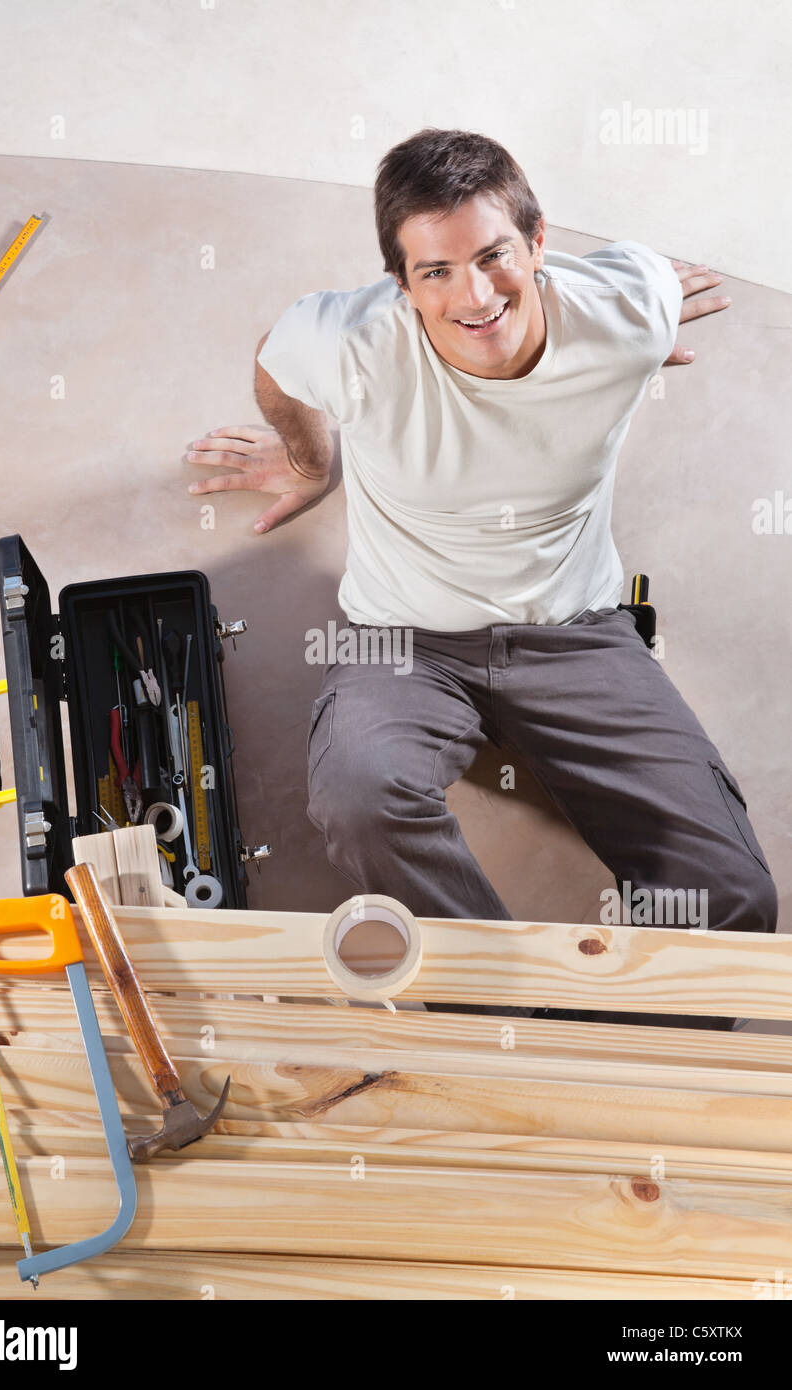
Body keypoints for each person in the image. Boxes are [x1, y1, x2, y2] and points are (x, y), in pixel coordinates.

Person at [185, 128, 778, 1030]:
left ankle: (599, 1083)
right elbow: (275, 360)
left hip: (575, 626)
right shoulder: (352, 342)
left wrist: (616, 348)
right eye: (436, 272)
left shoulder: (627, 310)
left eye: (495, 256)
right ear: (400, 283)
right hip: (405, 638)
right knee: (360, 795)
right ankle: (502, 1015)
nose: (475, 295)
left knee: (732, 899)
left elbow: (637, 296)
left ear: (539, 243)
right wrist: (313, 461)